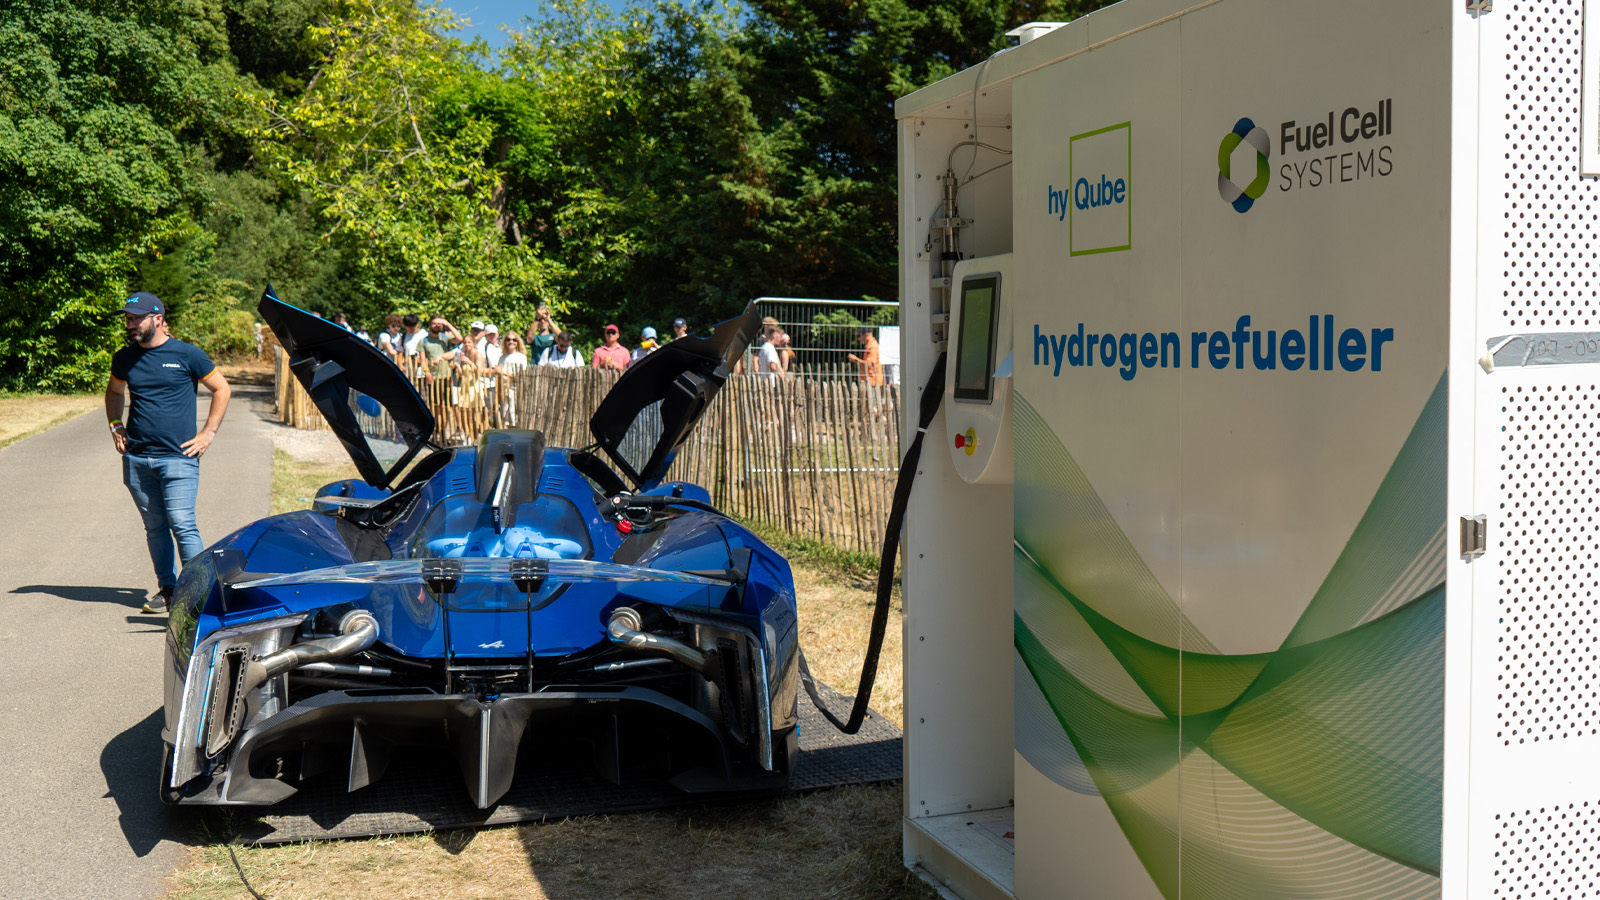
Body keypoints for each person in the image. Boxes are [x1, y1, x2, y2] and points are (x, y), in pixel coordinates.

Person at [105, 291, 232, 614]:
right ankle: (169, 589)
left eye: (137, 318)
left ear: (157, 319)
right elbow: (115, 391)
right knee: (156, 527)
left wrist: (208, 433)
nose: (130, 324)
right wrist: (115, 425)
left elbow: (222, 388)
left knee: (182, 524)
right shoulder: (124, 357)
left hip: (179, 458)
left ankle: (201, 594)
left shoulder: (187, 354)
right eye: (128, 318)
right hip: (137, 458)